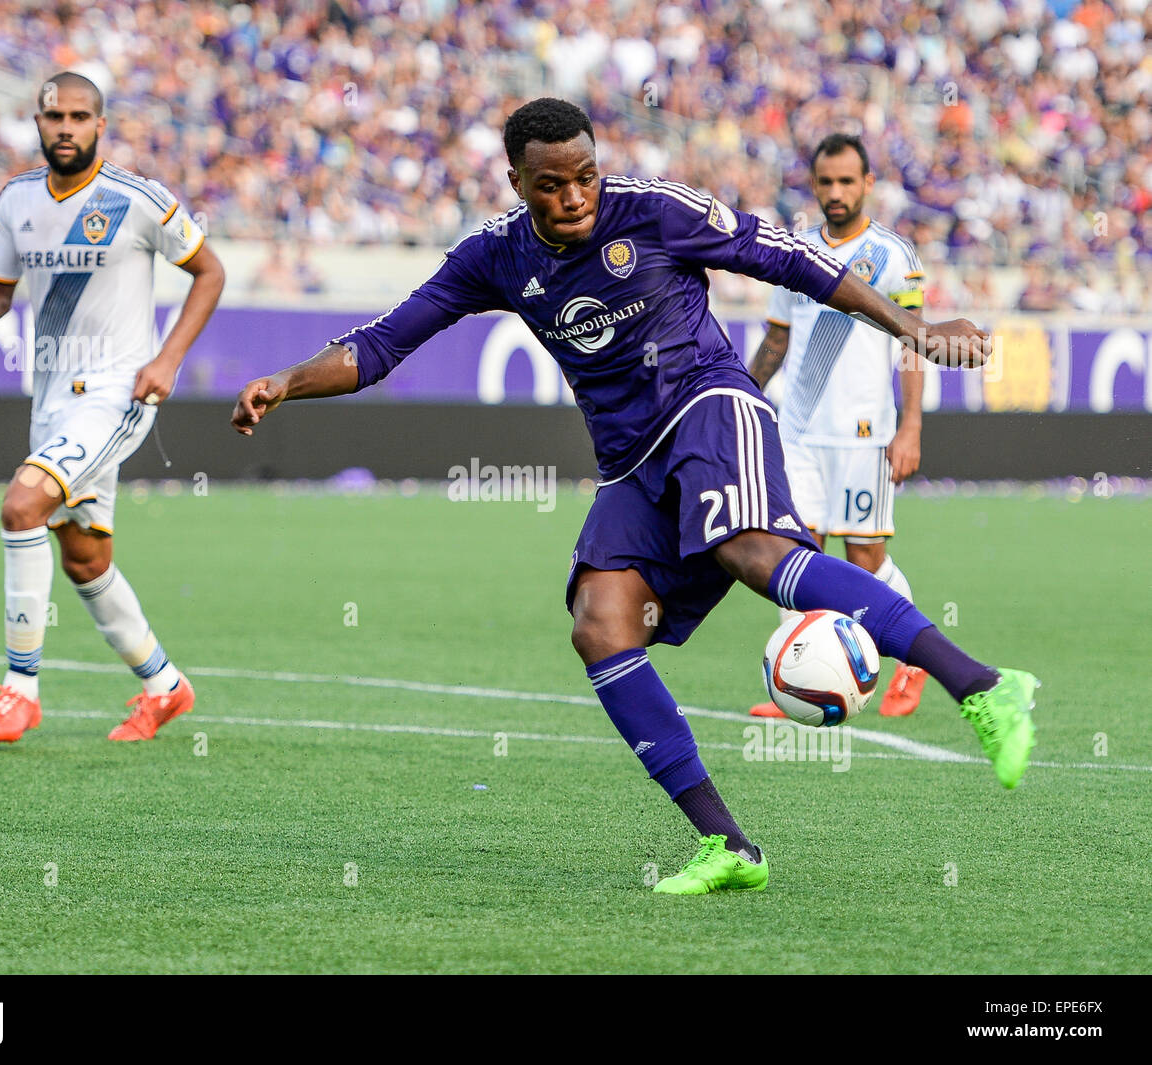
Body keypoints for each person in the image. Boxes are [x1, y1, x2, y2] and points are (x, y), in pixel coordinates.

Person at [230, 98, 1037, 894]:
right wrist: (286, 381)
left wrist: (915, 330)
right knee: (600, 624)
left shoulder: (655, 211)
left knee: (754, 552)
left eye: (585, 176)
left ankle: (982, 684)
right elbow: (382, 342)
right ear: (516, 181)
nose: (575, 196)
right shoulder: (493, 258)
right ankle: (729, 845)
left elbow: (791, 257)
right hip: (629, 463)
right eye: (551, 185)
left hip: (708, 403)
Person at [0, 71, 225, 743]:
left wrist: (167, 358)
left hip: (117, 394)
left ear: (100, 126)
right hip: (52, 399)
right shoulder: (19, 199)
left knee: (20, 505)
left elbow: (211, 271)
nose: (66, 127)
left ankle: (19, 690)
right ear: (38, 122)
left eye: (80, 116)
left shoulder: (137, 199)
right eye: (55, 116)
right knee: (84, 557)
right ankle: (166, 685)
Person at [746, 133, 929, 719]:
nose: (835, 192)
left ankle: (916, 656)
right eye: (825, 182)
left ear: (868, 184)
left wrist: (911, 429)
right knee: (795, 555)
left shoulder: (895, 255)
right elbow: (777, 338)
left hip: (864, 435)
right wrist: (743, 402)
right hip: (797, 432)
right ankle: (796, 678)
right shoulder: (795, 251)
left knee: (864, 560)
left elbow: (913, 347)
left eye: (847, 181)